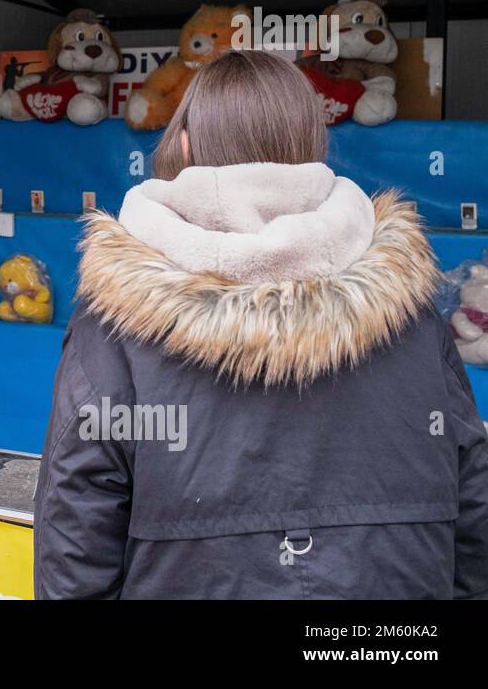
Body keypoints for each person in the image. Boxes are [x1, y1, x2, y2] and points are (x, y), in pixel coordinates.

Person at [34, 50, 488, 599]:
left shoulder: (117, 316)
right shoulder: (410, 306)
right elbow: (473, 500)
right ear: (312, 150)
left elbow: (78, 518)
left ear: (182, 147)